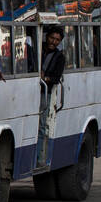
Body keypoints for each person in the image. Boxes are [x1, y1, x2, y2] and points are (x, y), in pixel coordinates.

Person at [35, 24, 65, 170]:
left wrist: (44, 78)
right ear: (47, 37)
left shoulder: (60, 57)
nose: (54, 41)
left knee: (41, 127)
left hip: (44, 94)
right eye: (52, 38)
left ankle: (39, 158)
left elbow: (55, 78)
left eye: (57, 40)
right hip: (30, 93)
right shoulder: (37, 48)